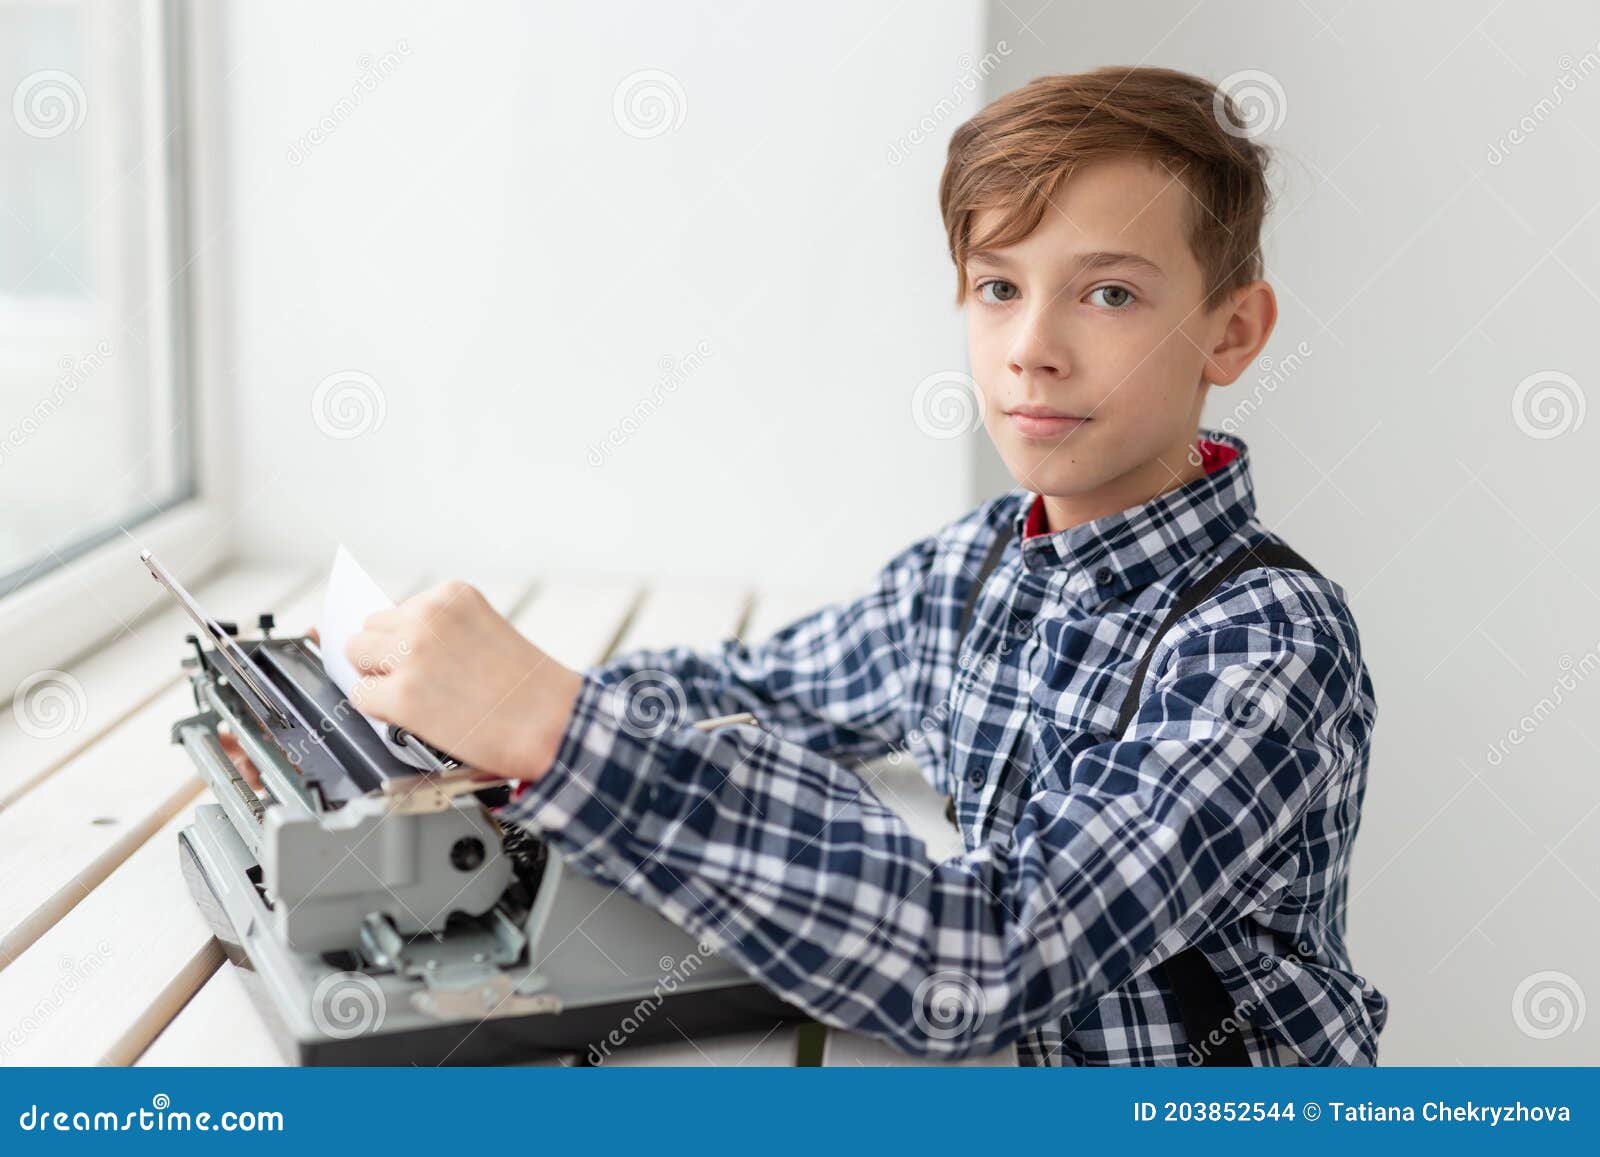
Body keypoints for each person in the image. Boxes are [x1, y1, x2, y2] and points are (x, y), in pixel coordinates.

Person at [231, 66, 1386, 1066]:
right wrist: (465, 724)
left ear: (1230, 332)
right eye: (997, 286)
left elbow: (988, 954)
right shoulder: (974, 568)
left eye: (1110, 293)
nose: (1031, 346)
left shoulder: (1262, 642)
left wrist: (557, 729)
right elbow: (759, 686)